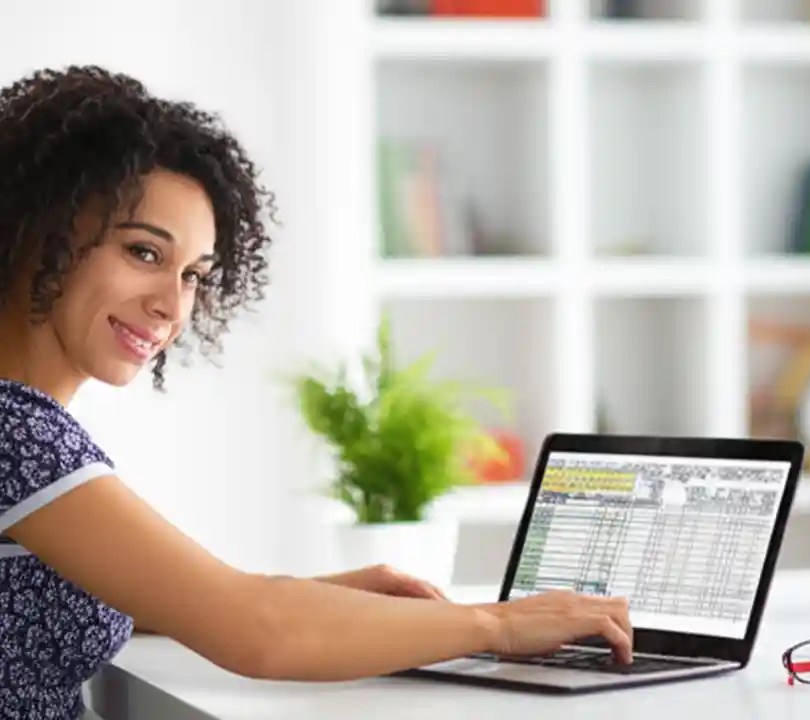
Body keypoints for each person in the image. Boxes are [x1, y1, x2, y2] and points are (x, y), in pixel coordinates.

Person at [0, 66, 632, 720]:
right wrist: (497, 626)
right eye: (145, 253)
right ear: (41, 228)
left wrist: (321, 599)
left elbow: (151, 602)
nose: (171, 305)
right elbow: (261, 631)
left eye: (193, 276)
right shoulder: (15, 433)